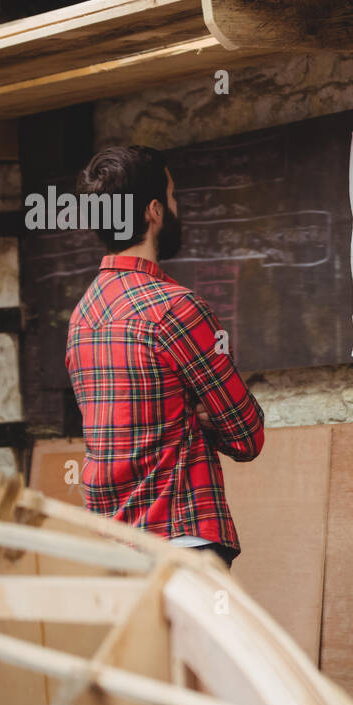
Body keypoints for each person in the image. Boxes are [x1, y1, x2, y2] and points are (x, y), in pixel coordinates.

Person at [65, 145, 263, 568]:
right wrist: (197, 419)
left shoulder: (81, 317)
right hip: (182, 539)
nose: (176, 208)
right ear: (154, 211)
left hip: (111, 549)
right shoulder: (176, 309)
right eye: (172, 199)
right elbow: (247, 436)